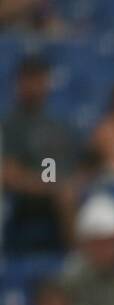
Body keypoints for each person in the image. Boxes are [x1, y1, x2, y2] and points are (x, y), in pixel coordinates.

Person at [1, 54, 82, 252]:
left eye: (39, 79)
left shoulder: (59, 123)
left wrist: (79, 180)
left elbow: (79, 163)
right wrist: (51, 187)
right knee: (67, 196)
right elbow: (9, 175)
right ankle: (79, 259)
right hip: (30, 201)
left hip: (68, 189)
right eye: (29, 79)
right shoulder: (11, 125)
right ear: (18, 83)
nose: (35, 86)